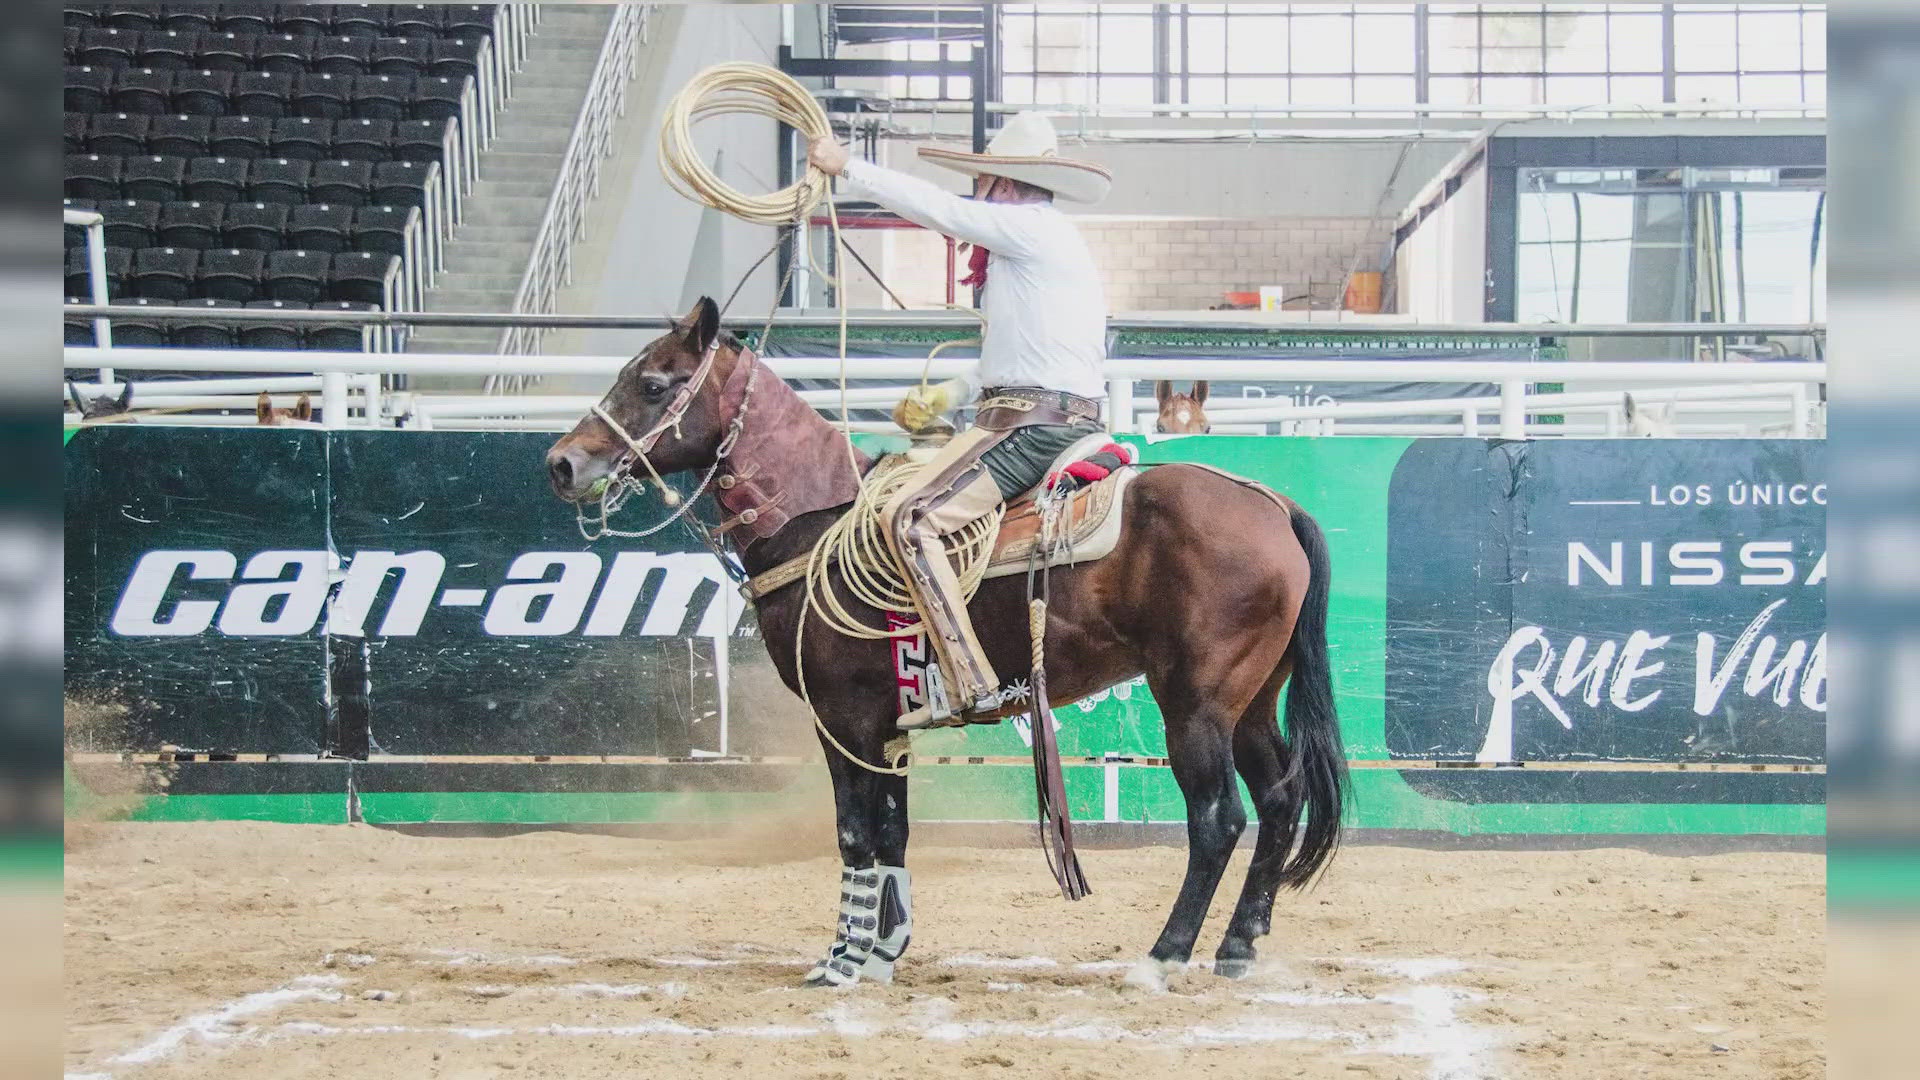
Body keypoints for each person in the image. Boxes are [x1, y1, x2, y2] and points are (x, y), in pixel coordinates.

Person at [808, 113, 1113, 728]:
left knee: (910, 519)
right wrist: (949, 393)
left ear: (1000, 183)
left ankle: (969, 682)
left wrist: (848, 167)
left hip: (1031, 427)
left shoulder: (1027, 230)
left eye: (982, 180)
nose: (976, 190)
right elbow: (1027, 358)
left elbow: (939, 210)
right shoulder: (1044, 243)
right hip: (1035, 413)